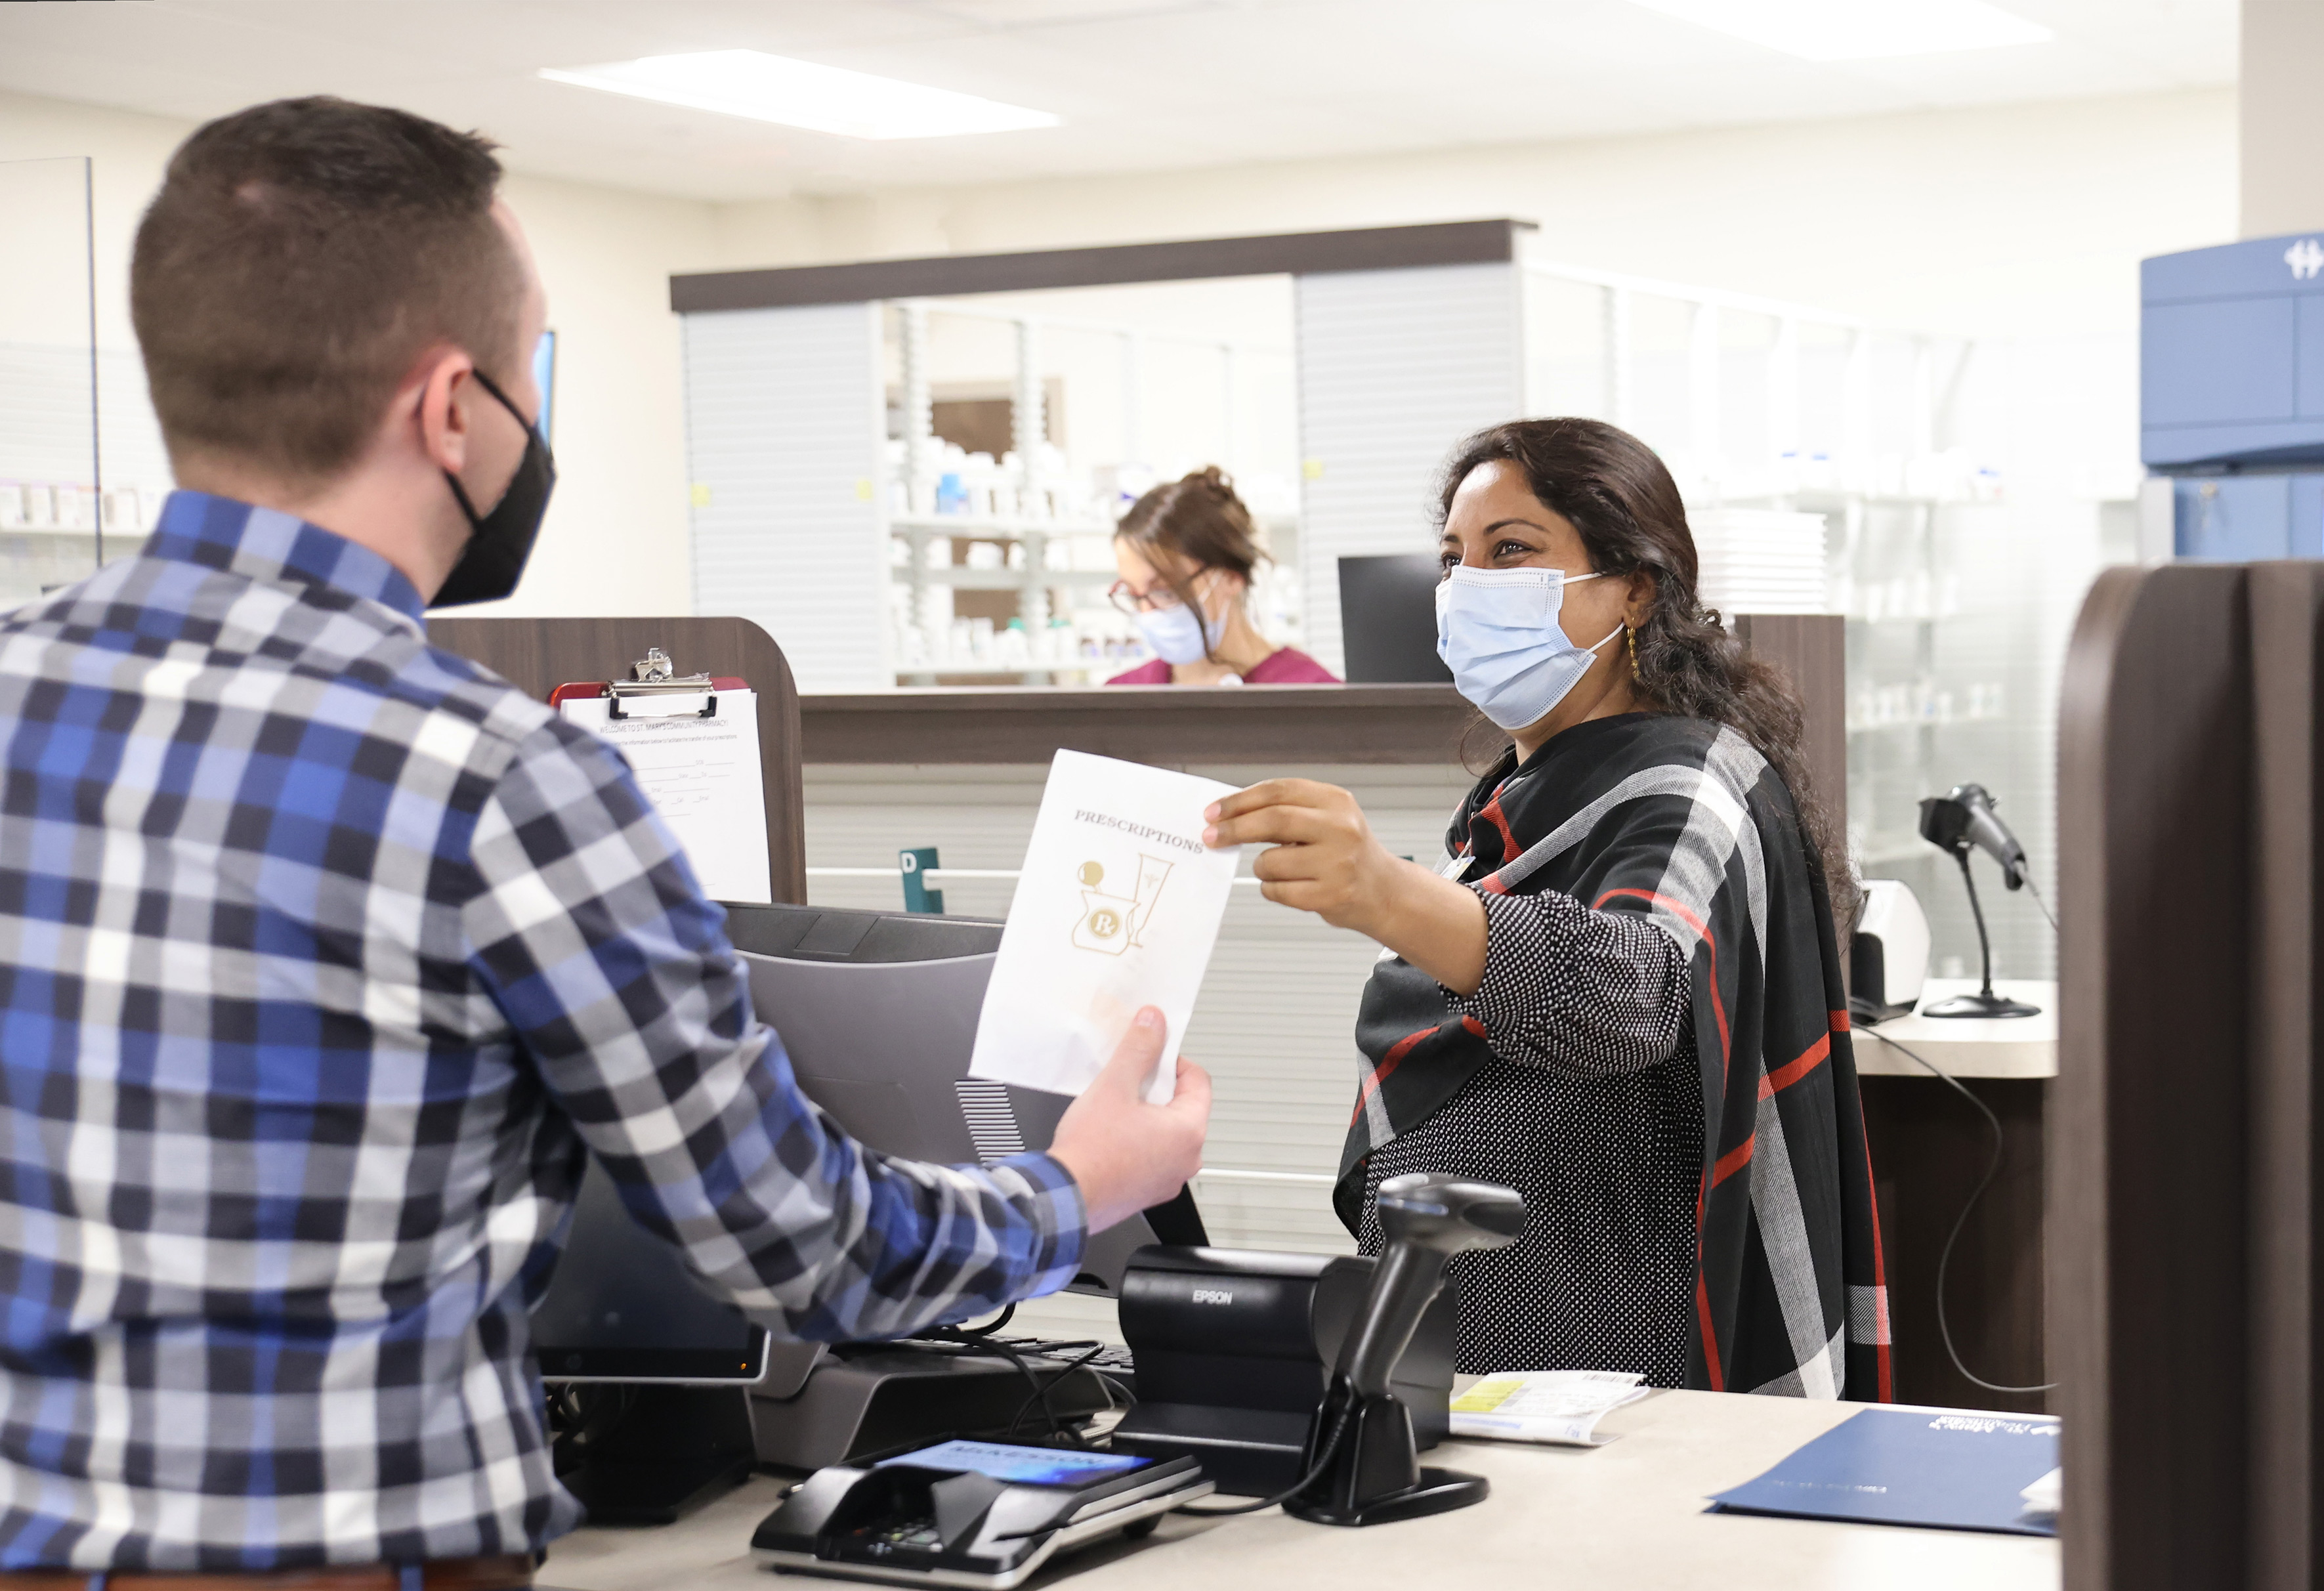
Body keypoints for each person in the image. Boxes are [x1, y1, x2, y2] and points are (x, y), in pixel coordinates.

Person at [0, 98, 1208, 1584]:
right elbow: (797, 1247)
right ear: (453, 410)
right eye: (531, 377)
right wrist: (1077, 1184)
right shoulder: (498, 776)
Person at [1204, 417, 1889, 1398]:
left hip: (1614, 1350)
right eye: (1453, 559)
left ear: (1637, 586)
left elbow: (1631, 997)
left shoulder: (1688, 784)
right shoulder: (1513, 802)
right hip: (1492, 1344)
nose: (1467, 587)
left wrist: (1388, 894)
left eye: (1511, 551)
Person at [1104, 467, 1339, 685]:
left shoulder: (1310, 694)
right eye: (1134, 596)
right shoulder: (1121, 699)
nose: (1148, 616)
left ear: (1230, 577)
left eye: (1166, 592)